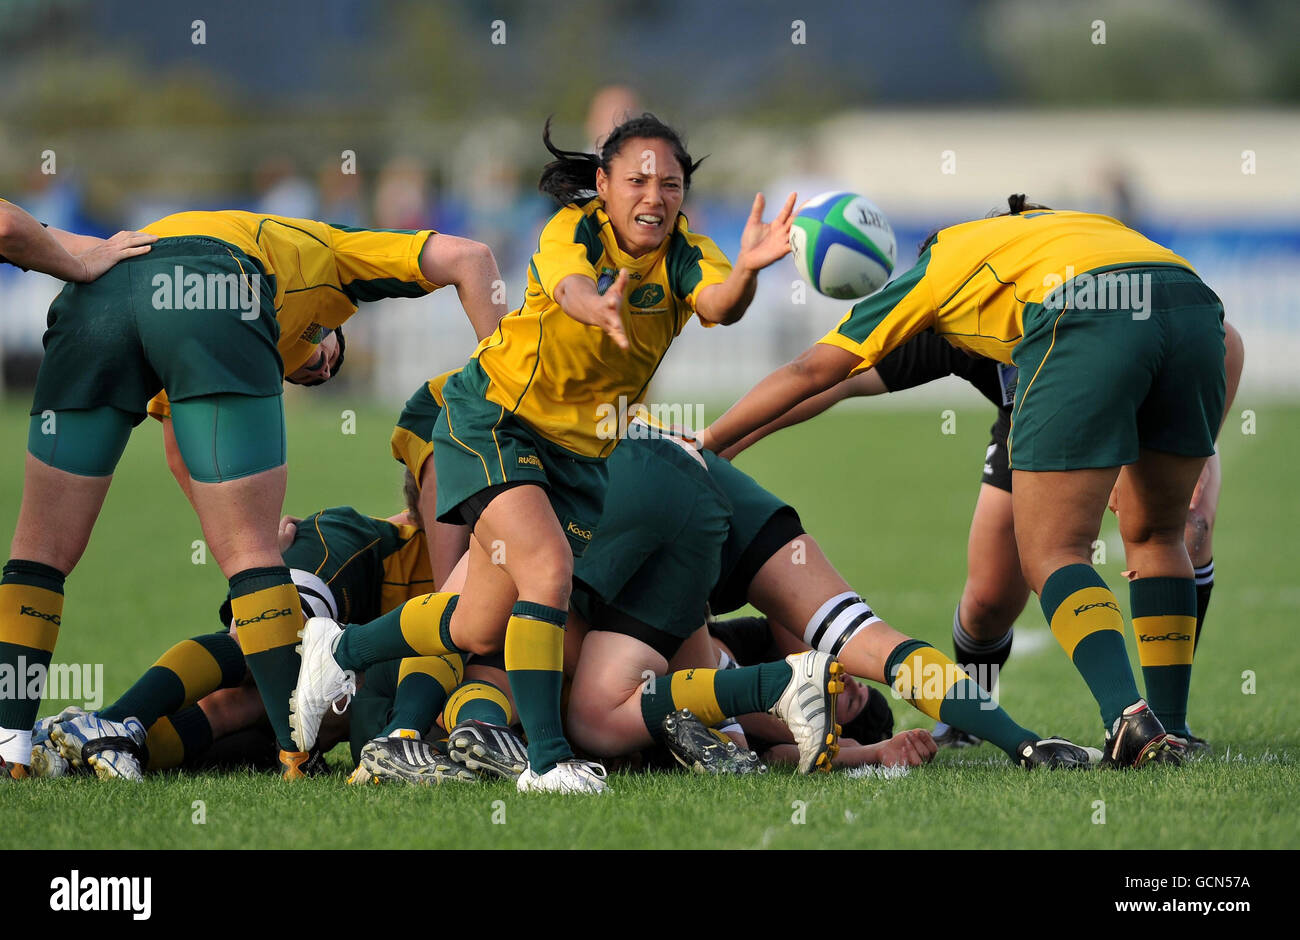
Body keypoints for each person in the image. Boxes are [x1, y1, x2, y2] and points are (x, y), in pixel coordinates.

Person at [289, 112, 807, 793]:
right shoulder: (574, 230)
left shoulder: (686, 252)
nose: (654, 196)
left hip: (577, 452)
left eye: (671, 183)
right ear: (603, 183)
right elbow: (568, 284)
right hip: (494, 419)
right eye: (637, 180)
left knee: (478, 618)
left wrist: (745, 271)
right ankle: (547, 760)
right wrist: (594, 306)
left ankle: (338, 649)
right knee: (549, 570)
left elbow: (720, 302)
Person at [699, 195, 1228, 768]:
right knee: (1155, 539)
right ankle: (1173, 731)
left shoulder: (942, 269)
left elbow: (813, 369)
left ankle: (1128, 718)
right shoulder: (1050, 237)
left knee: (1052, 552)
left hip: (1082, 336)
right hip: (1193, 309)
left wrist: (706, 441)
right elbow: (838, 385)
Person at [0, 206, 507, 780]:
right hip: (214, 284)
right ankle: (297, 758)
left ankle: (10, 749)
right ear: (328, 326)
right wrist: (504, 395)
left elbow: (177, 449)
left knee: (38, 550)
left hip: (102, 292)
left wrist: (242, 537)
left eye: (311, 375)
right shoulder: (335, 249)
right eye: (322, 353)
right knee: (251, 560)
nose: (317, 366)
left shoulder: (265, 294)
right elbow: (472, 257)